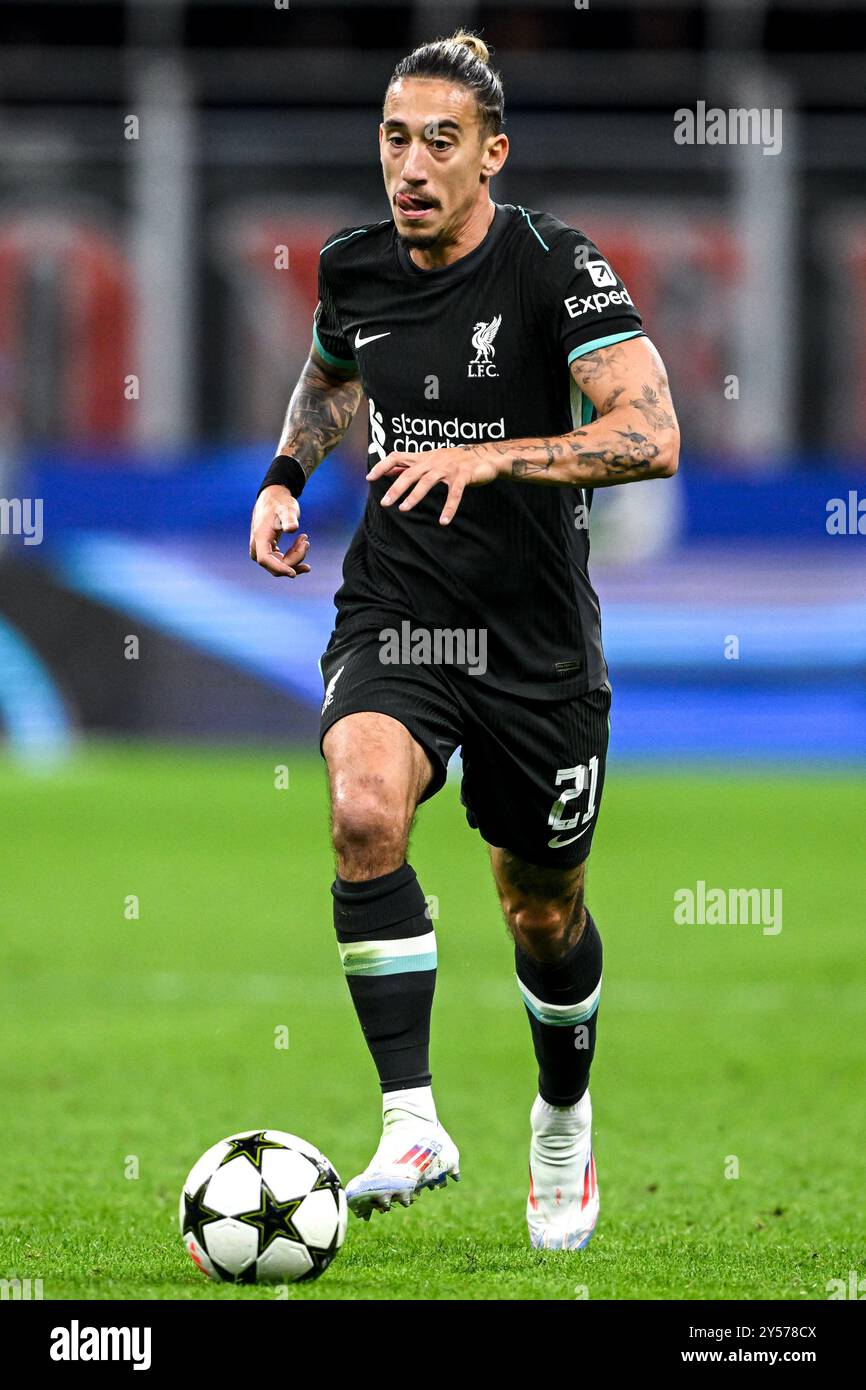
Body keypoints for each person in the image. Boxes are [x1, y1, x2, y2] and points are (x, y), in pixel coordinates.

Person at [250, 30, 679, 1250]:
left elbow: (650, 434)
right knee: (362, 809)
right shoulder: (353, 266)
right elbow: (334, 376)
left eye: (442, 141)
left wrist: (489, 457)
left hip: (535, 644)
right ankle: (411, 1120)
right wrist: (286, 472)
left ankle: (560, 1119)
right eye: (395, 138)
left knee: (539, 910)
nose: (413, 165)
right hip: (398, 609)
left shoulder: (554, 266)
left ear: (492, 153)